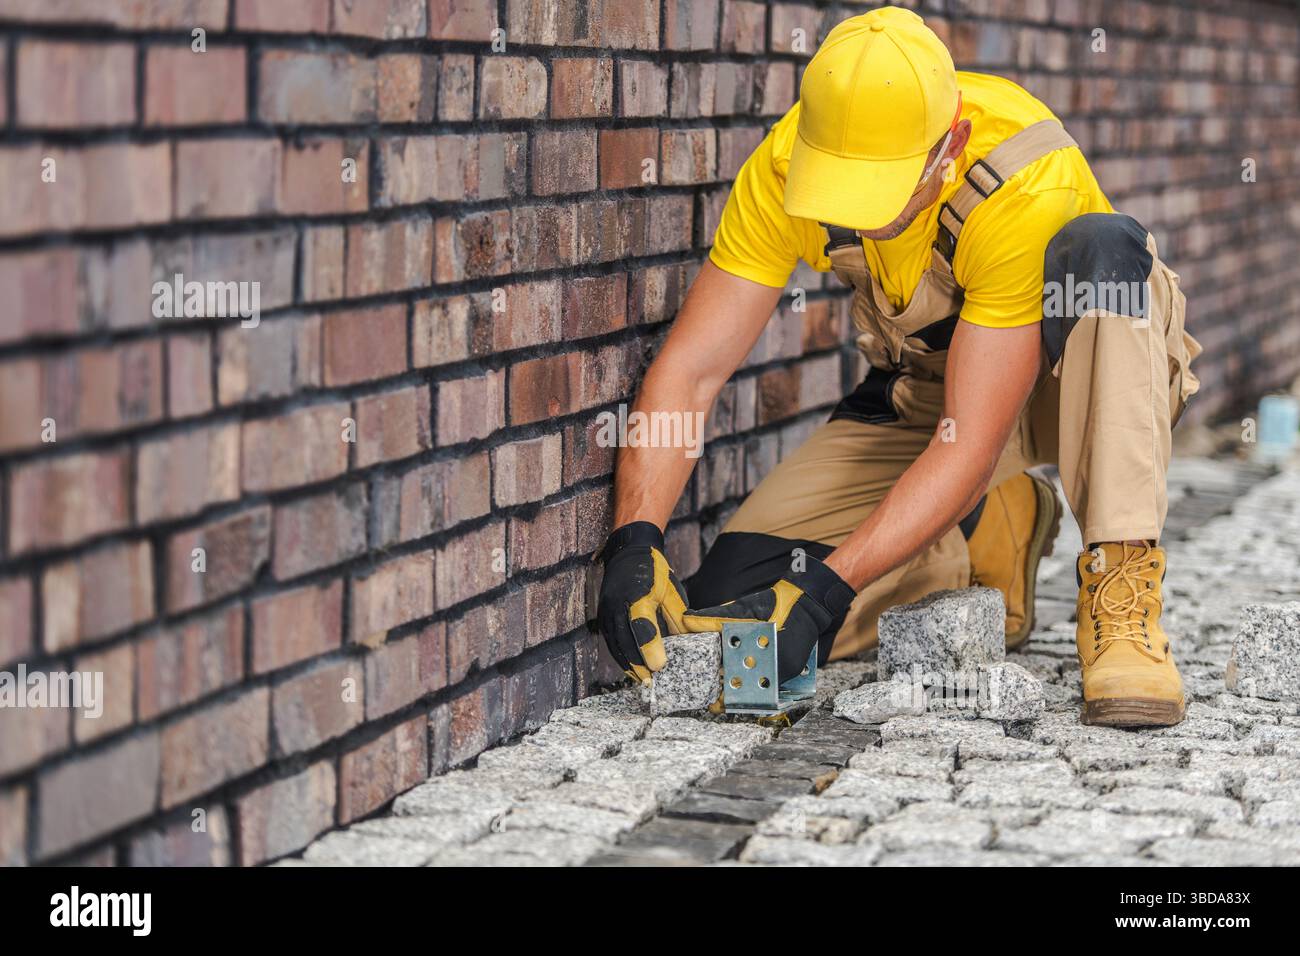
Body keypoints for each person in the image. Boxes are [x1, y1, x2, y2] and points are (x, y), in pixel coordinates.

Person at [595, 6, 1200, 727]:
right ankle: (983, 536)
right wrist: (635, 543)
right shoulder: (785, 165)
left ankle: (1121, 589)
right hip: (928, 394)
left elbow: (971, 442)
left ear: (952, 149)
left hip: (1075, 385)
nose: (856, 211)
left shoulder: (1024, 177)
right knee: (741, 592)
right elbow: (691, 370)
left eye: (877, 190)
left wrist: (824, 592)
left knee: (1103, 252)